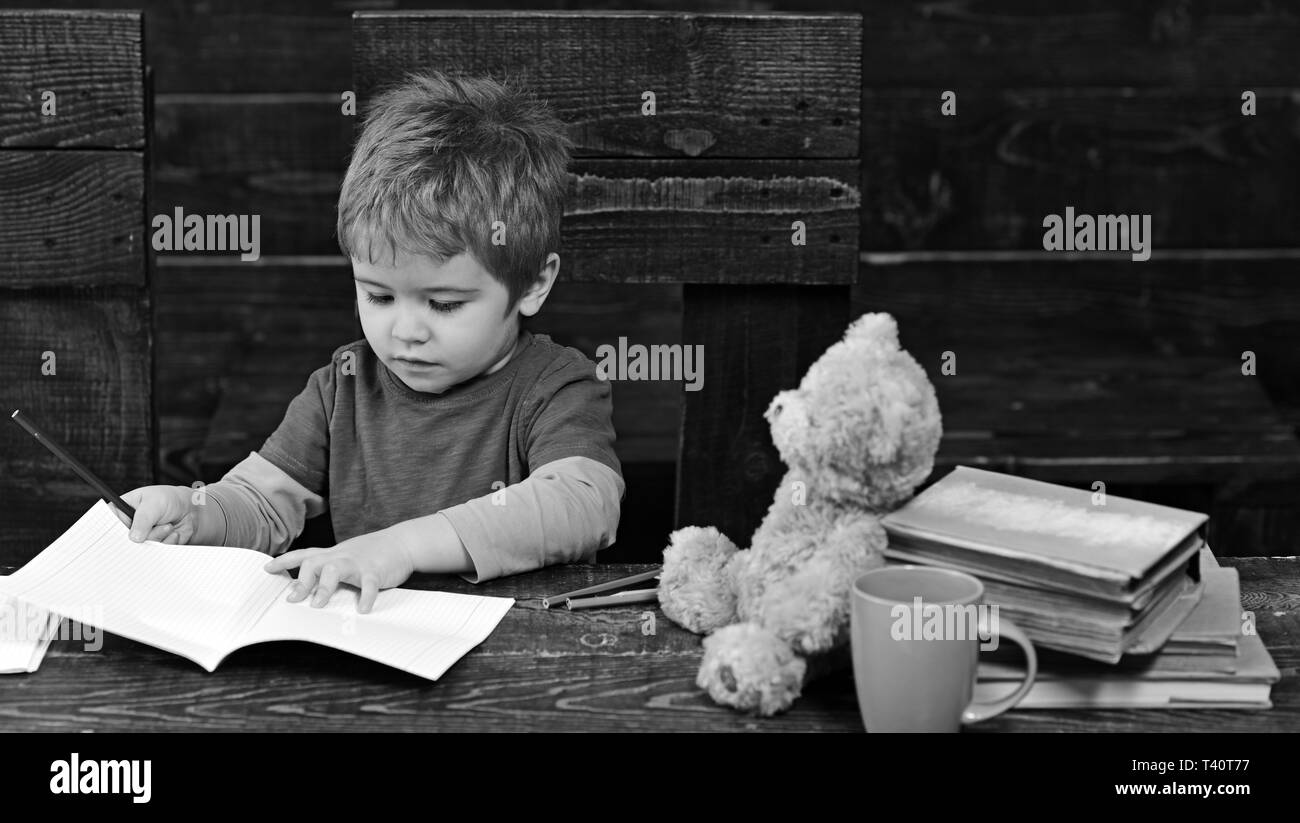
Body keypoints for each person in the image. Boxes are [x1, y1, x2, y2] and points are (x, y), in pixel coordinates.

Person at [117, 71, 623, 613]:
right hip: (376, 655)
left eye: (445, 304)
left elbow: (584, 503)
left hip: (526, 655)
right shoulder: (344, 386)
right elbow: (261, 505)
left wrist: (400, 547)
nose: (405, 330)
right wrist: (194, 511)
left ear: (533, 284)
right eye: (379, 297)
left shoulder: (556, 386)